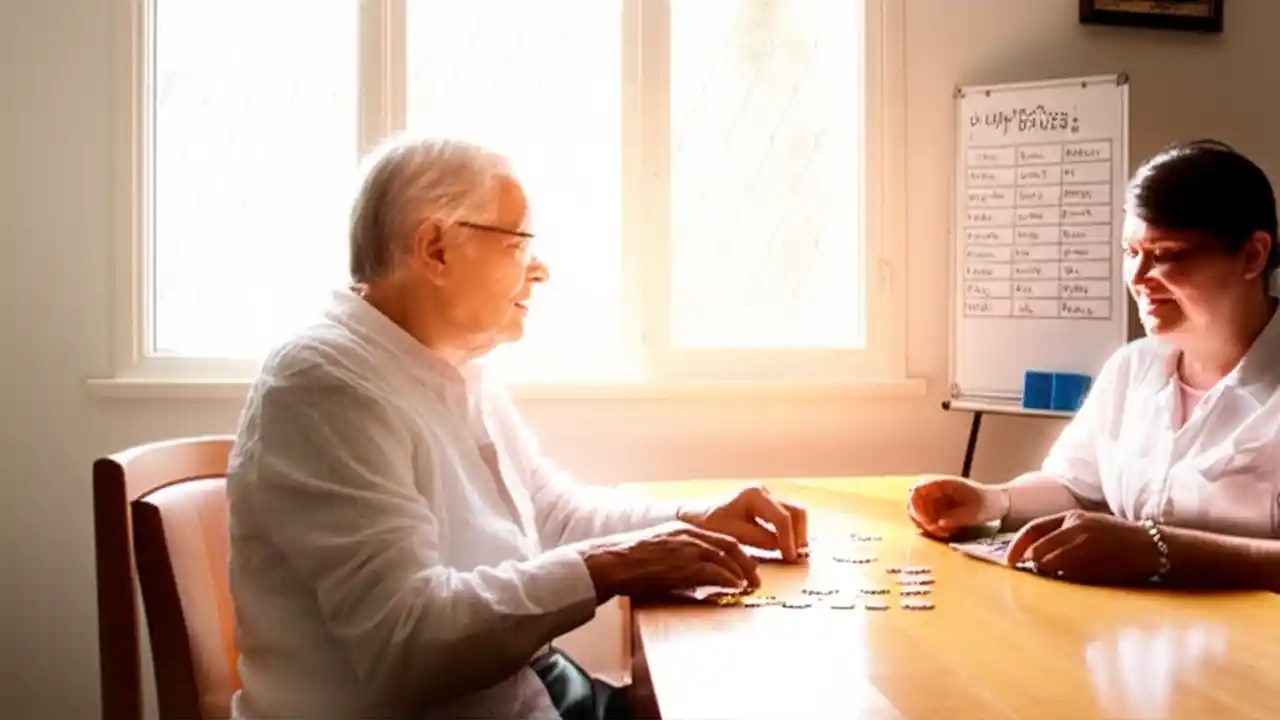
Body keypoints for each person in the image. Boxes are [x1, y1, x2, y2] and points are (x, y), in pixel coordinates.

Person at [226, 135, 808, 719]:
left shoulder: (450, 363)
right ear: (435, 249)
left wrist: (688, 521)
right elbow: (409, 639)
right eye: (519, 241)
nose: (541, 269)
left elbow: (553, 515)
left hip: (535, 693)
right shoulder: (324, 386)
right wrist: (612, 566)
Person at [909, 139, 1280, 591]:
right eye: (1130, 252)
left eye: (1166, 255)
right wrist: (991, 501)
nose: (1139, 278)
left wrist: (1159, 549)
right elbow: (1077, 486)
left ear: (1252, 255)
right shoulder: (1132, 368)